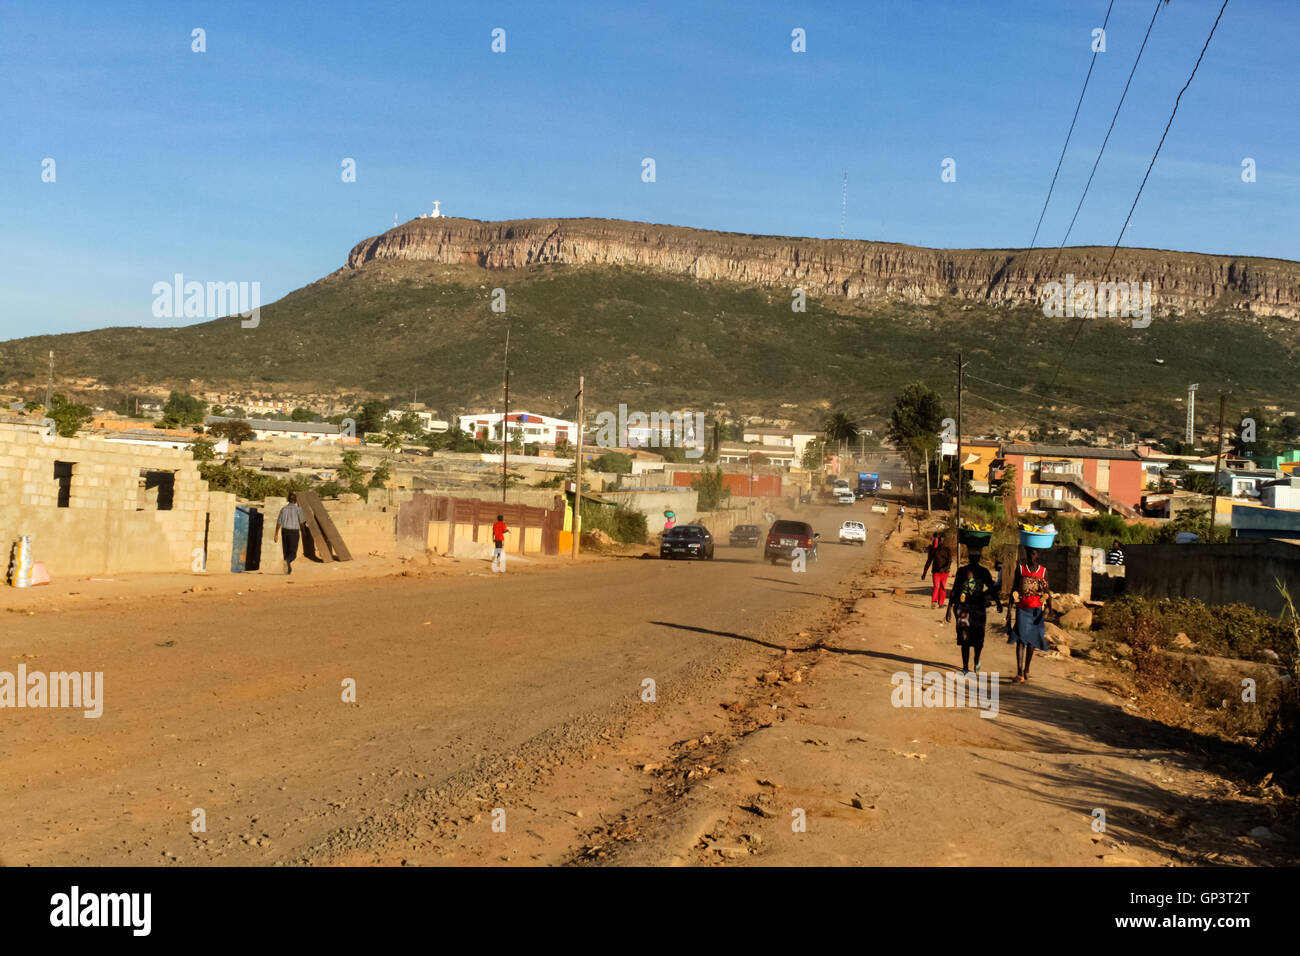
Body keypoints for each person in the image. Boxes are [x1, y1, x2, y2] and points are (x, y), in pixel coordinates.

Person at [946, 548, 1002, 672]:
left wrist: (998, 603)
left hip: (978, 609)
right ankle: (965, 667)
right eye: (972, 556)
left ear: (979, 558)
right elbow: (955, 590)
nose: (974, 559)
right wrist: (949, 609)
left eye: (976, 556)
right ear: (969, 557)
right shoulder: (962, 571)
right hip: (964, 608)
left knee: (979, 638)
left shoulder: (983, 572)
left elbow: (992, 589)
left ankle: (977, 660)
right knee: (964, 636)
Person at [1006, 547, 1053, 682]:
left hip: (1036, 610)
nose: (1030, 557)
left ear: (1038, 555)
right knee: (1021, 639)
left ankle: (1026, 669)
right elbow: (1014, 589)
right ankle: (1019, 672)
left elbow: (1046, 591)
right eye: (1028, 554)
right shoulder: (1021, 569)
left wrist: (1050, 609)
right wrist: (1009, 610)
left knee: (1032, 641)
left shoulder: (1043, 572)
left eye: (1033, 554)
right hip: (1022, 608)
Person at [273, 492, 306, 575]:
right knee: (293, 553)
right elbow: (302, 522)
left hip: (284, 531)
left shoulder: (283, 509)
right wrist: (304, 532)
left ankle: (288, 570)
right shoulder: (299, 509)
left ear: (288, 500)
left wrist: (276, 534)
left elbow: (279, 522)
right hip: (294, 532)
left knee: (286, 551)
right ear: (296, 500)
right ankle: (287, 562)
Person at [921, 534, 953, 609]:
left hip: (945, 572)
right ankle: (934, 602)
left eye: (940, 539)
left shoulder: (947, 549)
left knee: (942, 587)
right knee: (936, 586)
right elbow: (929, 561)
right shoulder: (933, 550)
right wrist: (924, 572)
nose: (939, 541)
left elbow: (950, 561)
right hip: (936, 572)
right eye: (938, 539)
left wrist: (944, 568)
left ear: (943, 540)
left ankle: (941, 603)